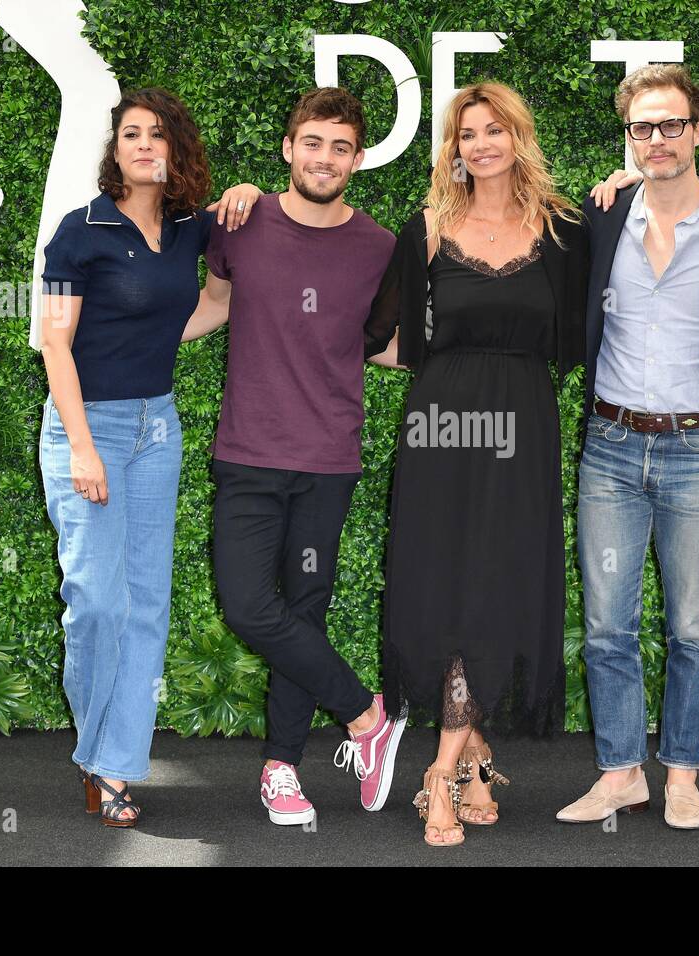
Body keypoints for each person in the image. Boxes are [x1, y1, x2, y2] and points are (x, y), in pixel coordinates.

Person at [555, 64, 699, 830]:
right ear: (628, 136)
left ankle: (682, 773)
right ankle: (622, 773)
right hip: (612, 447)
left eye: (671, 124)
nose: (657, 139)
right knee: (605, 623)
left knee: (692, 624)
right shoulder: (603, 217)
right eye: (641, 127)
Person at [363, 81, 588, 846]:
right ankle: (455, 766)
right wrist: (437, 378)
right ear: (453, 149)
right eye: (467, 134)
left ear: (517, 137)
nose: (481, 144)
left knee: (498, 582)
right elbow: (378, 335)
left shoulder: (561, 230)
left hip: (523, 424)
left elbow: (579, 333)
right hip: (443, 428)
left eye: (494, 130)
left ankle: (451, 765)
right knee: (450, 581)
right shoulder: (427, 227)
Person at [39, 87, 257, 826]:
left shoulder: (191, 229)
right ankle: (97, 756)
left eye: (156, 135)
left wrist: (244, 199)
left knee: (145, 608)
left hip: (156, 430)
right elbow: (54, 342)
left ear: (176, 151)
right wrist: (83, 447)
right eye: (130, 134)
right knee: (97, 602)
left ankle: (114, 768)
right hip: (87, 426)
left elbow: (216, 307)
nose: (142, 145)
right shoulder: (82, 230)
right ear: (115, 148)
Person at [190, 87, 407, 827]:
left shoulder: (380, 247)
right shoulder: (242, 222)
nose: (324, 157)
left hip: (327, 462)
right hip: (248, 456)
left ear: (359, 158)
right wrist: (122, 346)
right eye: (312, 142)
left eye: (340, 146)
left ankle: (282, 771)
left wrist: (480, 364)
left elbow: (384, 347)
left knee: (304, 613)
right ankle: (366, 718)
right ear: (288, 148)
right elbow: (214, 305)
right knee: (250, 605)